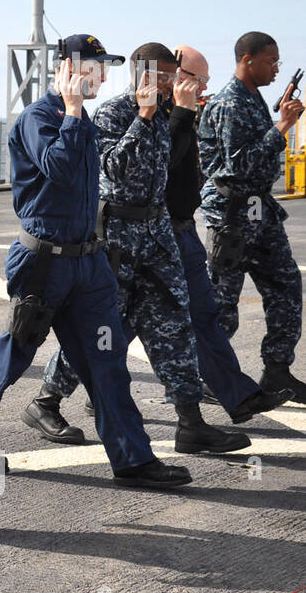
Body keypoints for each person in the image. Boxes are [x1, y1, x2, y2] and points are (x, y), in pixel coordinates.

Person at [0, 34, 193, 490]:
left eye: (104, 68)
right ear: (65, 68)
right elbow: (58, 167)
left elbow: (106, 175)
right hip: (44, 261)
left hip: (89, 261)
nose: (101, 76)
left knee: (108, 358)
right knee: (19, 348)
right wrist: (74, 111)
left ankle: (133, 459)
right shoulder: (37, 118)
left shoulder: (87, 120)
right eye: (92, 67)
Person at [25, 45, 282, 442]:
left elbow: (172, 171)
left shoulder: (166, 114)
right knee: (102, 325)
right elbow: (113, 171)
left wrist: (176, 115)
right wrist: (144, 118)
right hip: (119, 236)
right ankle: (46, 400)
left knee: (174, 324)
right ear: (140, 73)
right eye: (160, 76)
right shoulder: (114, 113)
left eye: (170, 76)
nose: (166, 84)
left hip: (157, 234)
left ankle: (190, 422)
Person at [198, 32, 306, 403]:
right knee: (223, 306)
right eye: (270, 61)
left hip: (260, 213)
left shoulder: (252, 98)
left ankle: (276, 371)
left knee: (286, 289)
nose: (276, 68)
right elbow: (238, 165)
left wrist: (277, 121)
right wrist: (283, 127)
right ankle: (208, 377)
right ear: (248, 60)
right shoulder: (229, 103)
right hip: (231, 217)